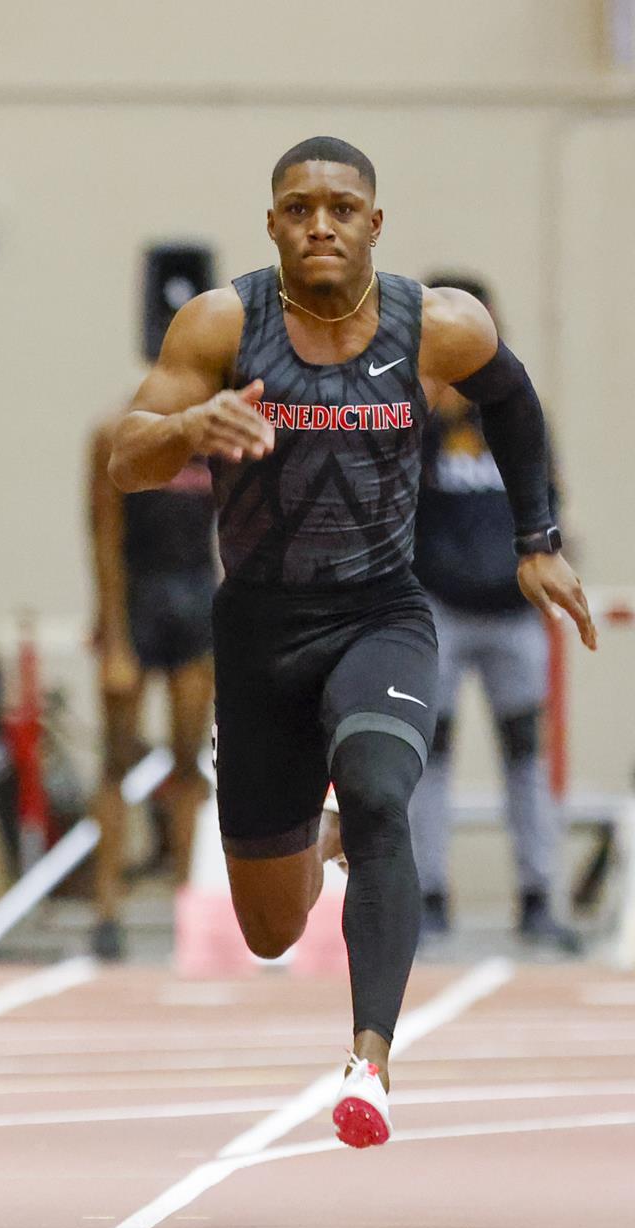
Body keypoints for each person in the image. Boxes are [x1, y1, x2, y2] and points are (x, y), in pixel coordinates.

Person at [110, 137, 594, 1149]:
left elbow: (512, 403)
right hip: (255, 633)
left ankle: (367, 1059)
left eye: (339, 207)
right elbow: (123, 459)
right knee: (271, 928)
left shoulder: (437, 325)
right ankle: (311, 814)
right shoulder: (220, 322)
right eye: (296, 208)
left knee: (380, 792)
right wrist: (188, 425)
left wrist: (535, 542)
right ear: (271, 224)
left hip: (381, 612)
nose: (318, 223)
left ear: (373, 223)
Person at [407, 274, 581, 955]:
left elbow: (549, 498)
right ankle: (429, 895)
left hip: (513, 614)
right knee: (430, 755)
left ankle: (538, 895)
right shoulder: (414, 410)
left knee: (525, 756)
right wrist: (431, 409)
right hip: (441, 610)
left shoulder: (514, 409)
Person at [84, 402, 214, 963]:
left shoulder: (220, 434)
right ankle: (107, 907)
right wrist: (113, 637)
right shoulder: (117, 433)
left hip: (197, 599)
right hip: (139, 601)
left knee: (190, 763)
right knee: (117, 762)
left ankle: (189, 904)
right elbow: (103, 539)